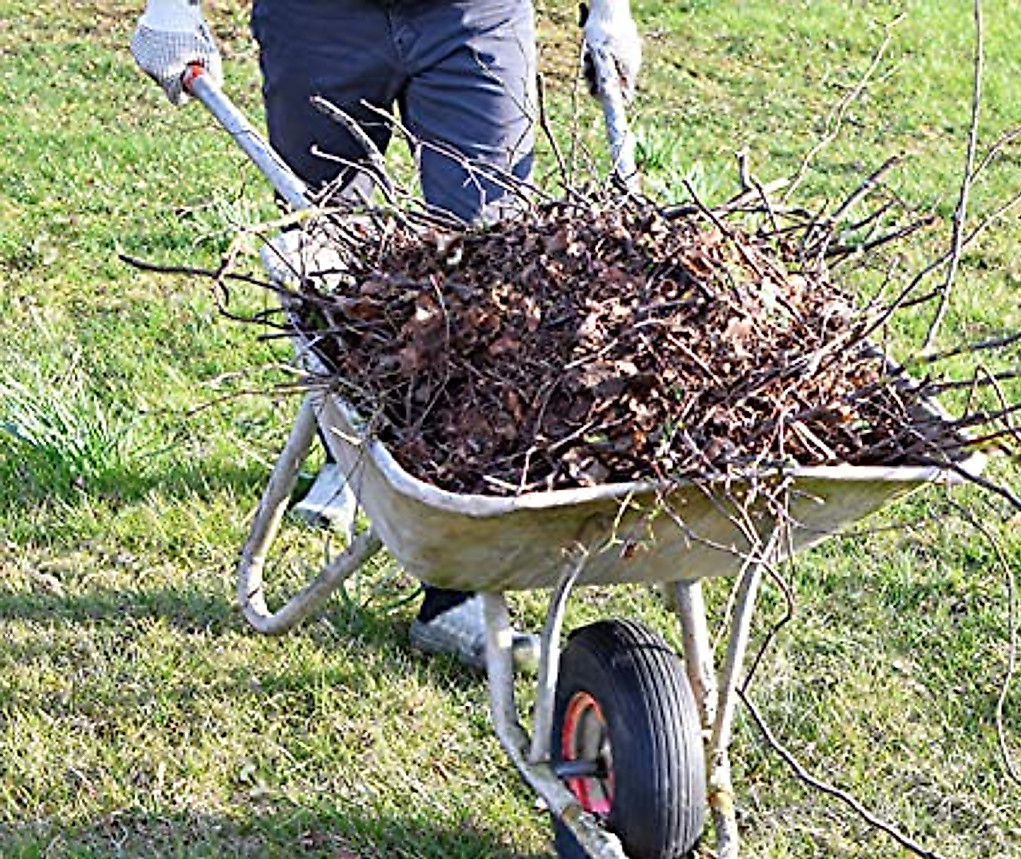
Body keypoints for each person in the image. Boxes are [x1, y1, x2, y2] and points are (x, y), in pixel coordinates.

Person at [130, 0, 642, 671]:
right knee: (330, 262)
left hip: (474, 15)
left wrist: (609, 8)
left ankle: (455, 594)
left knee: (489, 279)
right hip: (318, 18)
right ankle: (353, 459)